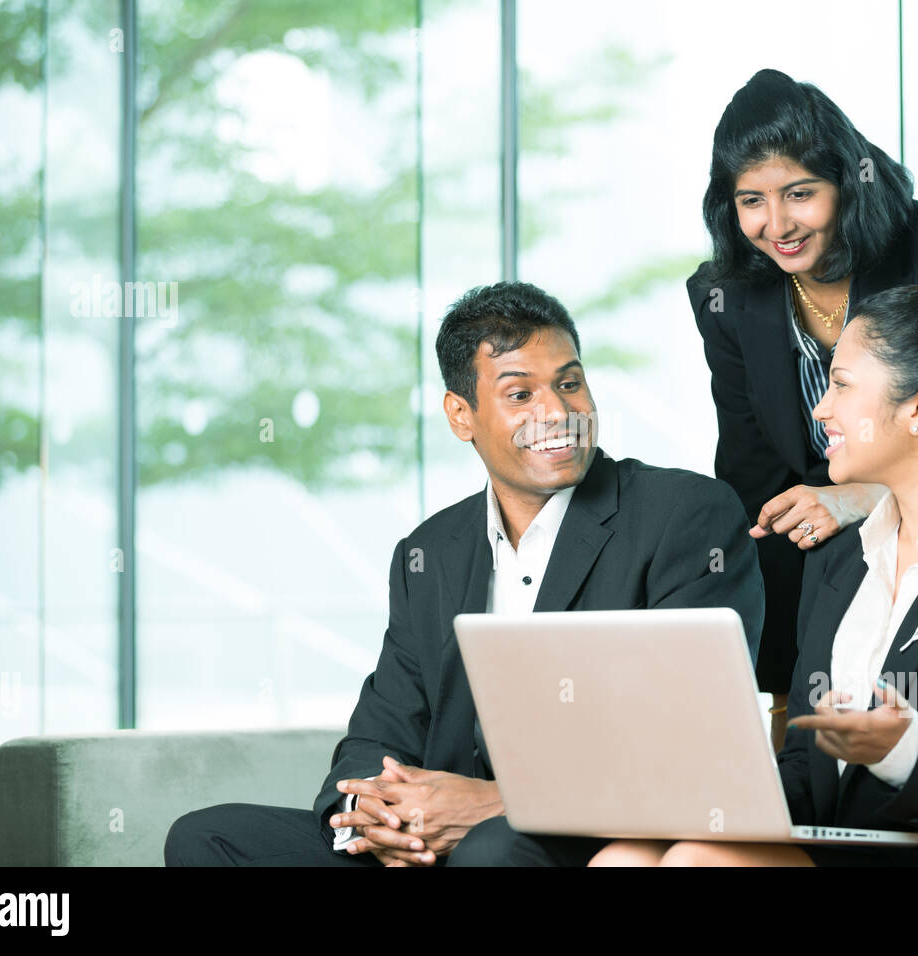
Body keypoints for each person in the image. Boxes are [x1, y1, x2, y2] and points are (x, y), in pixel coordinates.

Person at [164, 280, 765, 867]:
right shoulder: (429, 553)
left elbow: (690, 741)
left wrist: (491, 806)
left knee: (491, 847)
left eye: (570, 383)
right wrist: (380, 818)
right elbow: (380, 731)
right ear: (461, 415)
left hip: (585, 841)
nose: (557, 411)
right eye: (520, 394)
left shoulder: (683, 515)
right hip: (432, 845)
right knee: (209, 836)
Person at [590, 284, 918, 866]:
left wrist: (909, 752)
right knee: (628, 855)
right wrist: (706, 797)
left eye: (841, 385)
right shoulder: (840, 556)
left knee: (697, 861)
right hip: (854, 851)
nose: (820, 409)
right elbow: (808, 770)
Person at [689, 69, 918, 744]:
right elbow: (750, 462)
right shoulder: (723, 295)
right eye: (751, 201)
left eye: (799, 194)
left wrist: (863, 498)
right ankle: (790, 760)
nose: (776, 224)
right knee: (756, 539)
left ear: (846, 182)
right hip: (820, 537)